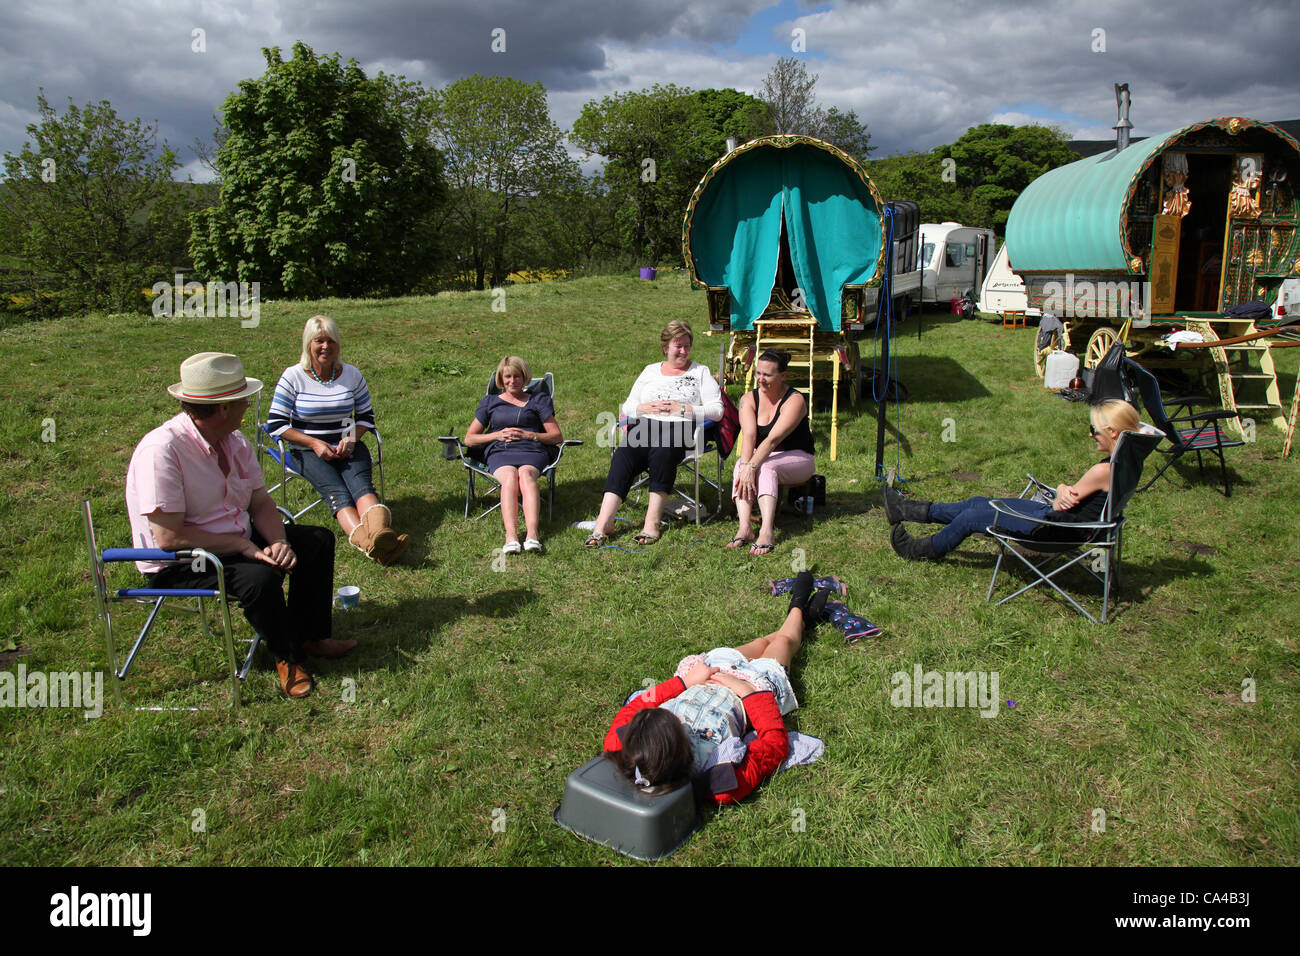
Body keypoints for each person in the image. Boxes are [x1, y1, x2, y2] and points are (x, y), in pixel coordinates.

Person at [126, 352, 353, 700]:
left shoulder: (234, 442)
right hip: (183, 560)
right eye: (242, 399)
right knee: (259, 578)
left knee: (316, 540)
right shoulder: (163, 450)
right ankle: (287, 658)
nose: (248, 404)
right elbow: (169, 537)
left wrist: (279, 540)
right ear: (223, 408)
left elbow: (260, 503)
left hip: (235, 536)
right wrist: (242, 546)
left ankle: (310, 636)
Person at [603, 571, 830, 804]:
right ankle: (799, 607)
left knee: (760, 643)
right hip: (751, 688)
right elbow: (775, 747)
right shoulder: (719, 782)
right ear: (683, 747)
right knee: (783, 642)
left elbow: (635, 707)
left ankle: (802, 622)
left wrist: (685, 682)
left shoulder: (621, 747)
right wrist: (749, 694)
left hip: (706, 674)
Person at [885, 400, 1141, 561]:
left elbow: (1064, 500)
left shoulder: (1104, 471)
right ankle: (905, 509)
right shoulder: (1129, 465)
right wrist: (1064, 490)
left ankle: (917, 551)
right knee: (978, 501)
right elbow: (1073, 498)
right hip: (1062, 522)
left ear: (1113, 432)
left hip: (1052, 528)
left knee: (970, 517)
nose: (1091, 434)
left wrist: (1063, 488)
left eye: (1094, 429)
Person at [266, 315, 409, 565]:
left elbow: (366, 416)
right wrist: (313, 443)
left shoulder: (352, 375)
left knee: (363, 488)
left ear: (338, 344)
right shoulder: (293, 376)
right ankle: (376, 545)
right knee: (339, 494)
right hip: (307, 451)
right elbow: (276, 425)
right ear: (308, 344)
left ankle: (377, 539)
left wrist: (352, 439)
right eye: (318, 341)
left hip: (348, 446)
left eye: (330, 341)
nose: (325, 347)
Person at [586, 321, 723, 546]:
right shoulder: (650, 370)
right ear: (665, 347)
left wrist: (683, 409)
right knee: (624, 455)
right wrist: (642, 408)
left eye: (687, 346)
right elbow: (629, 405)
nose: (684, 351)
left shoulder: (700, 372)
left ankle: (652, 523)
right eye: (678, 346)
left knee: (663, 450)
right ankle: (604, 524)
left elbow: (717, 410)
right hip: (647, 424)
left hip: (682, 426)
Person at [464, 356, 564, 554]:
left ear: (524, 377)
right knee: (510, 477)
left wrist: (531, 435)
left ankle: (532, 535)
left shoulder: (538, 400)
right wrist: (497, 435)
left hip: (532, 450)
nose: (512, 381)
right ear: (501, 379)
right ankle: (511, 536)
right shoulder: (490, 402)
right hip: (500, 451)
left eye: (517, 376)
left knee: (526, 475)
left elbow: (556, 436)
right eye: (507, 376)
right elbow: (469, 438)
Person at [727, 349, 816, 555]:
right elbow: (749, 436)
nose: (761, 379)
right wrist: (745, 466)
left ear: (782, 376)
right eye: (758, 373)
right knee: (741, 465)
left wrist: (752, 467)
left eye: (767, 375)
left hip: (799, 457)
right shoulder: (748, 398)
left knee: (765, 467)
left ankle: (767, 531)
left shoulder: (795, 400)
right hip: (766, 455)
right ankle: (745, 527)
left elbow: (772, 440)